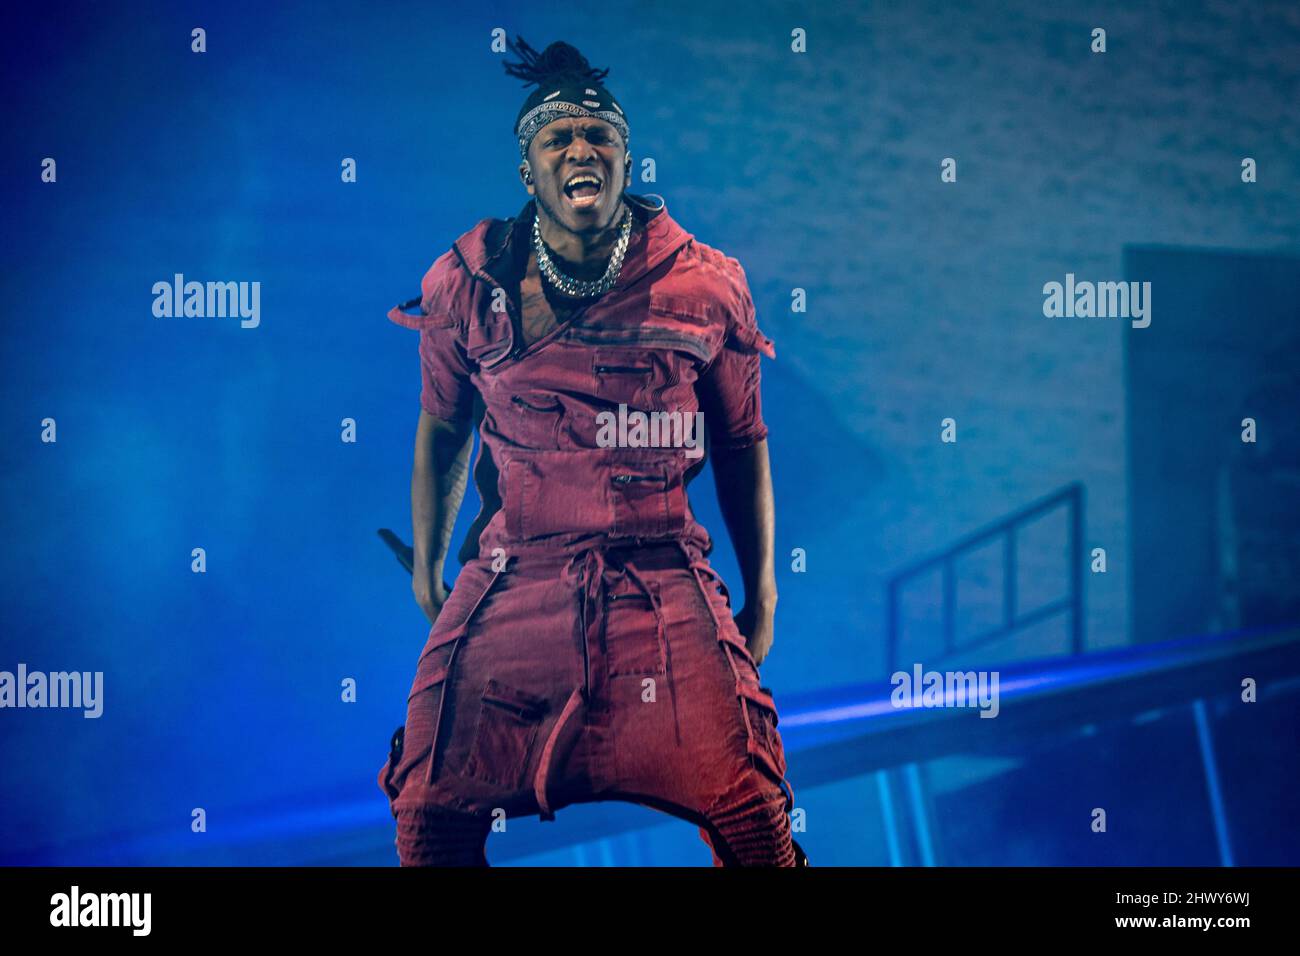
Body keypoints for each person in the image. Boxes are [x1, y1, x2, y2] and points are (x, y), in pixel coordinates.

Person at [377, 36, 805, 866]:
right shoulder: (467, 281)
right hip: (518, 572)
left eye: (599, 137)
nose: (582, 151)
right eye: (557, 141)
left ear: (626, 158)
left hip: (660, 576)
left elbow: (742, 440)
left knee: (753, 810)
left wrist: (763, 592)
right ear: (528, 173)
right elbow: (444, 424)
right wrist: (432, 569)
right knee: (429, 812)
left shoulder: (705, 282)